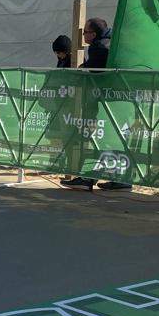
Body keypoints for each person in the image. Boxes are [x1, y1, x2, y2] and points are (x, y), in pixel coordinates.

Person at [60, 17, 130, 191]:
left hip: (103, 101)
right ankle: (118, 178)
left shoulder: (99, 47)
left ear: (94, 33)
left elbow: (94, 70)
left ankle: (89, 177)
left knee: (97, 138)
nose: (83, 35)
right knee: (113, 139)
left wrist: (83, 67)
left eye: (85, 32)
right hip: (116, 100)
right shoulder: (114, 42)